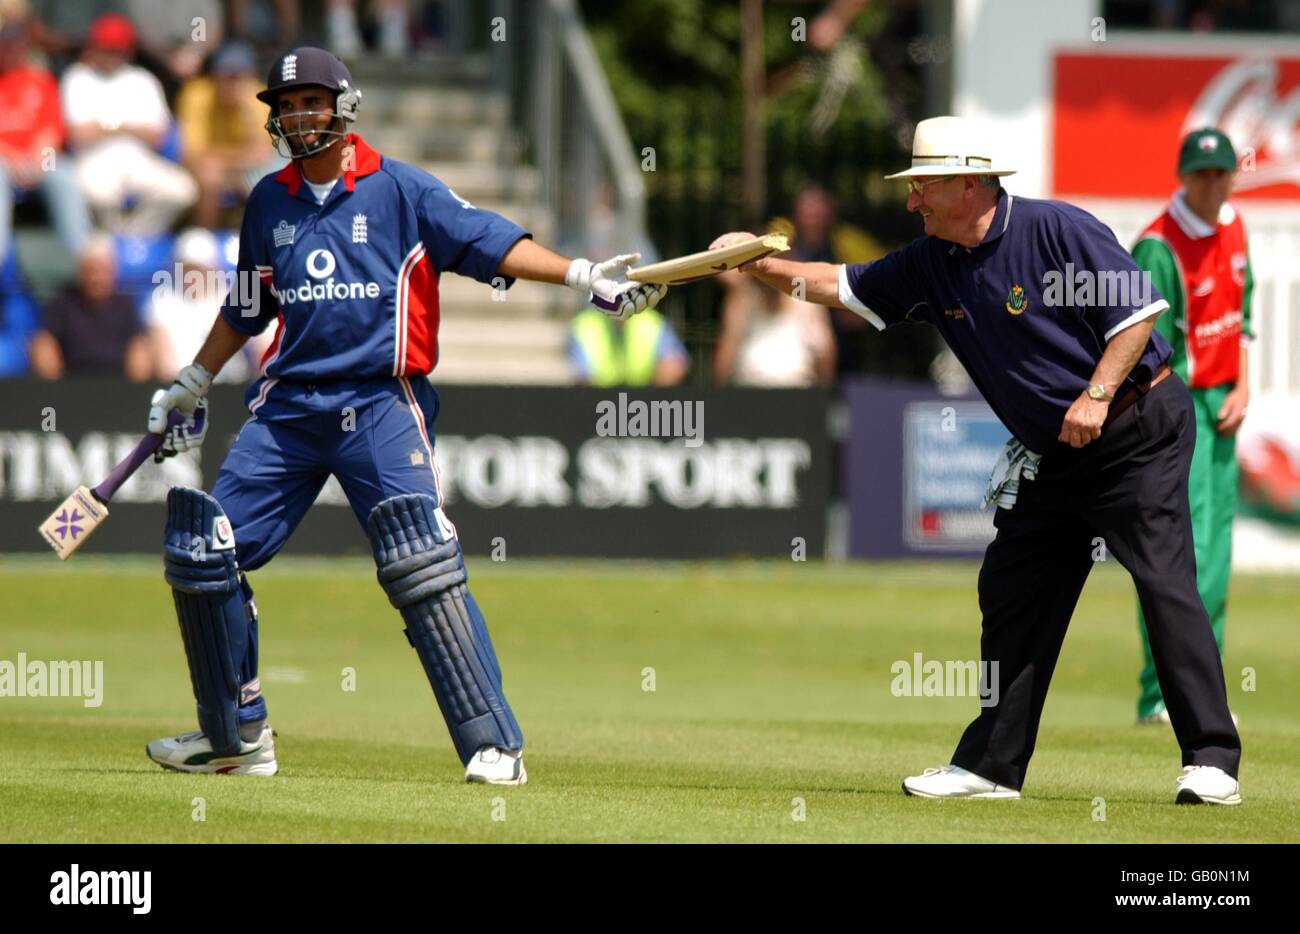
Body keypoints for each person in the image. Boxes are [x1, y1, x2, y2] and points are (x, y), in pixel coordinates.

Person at [141, 47, 666, 784]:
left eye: (312, 101)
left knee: (419, 557)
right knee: (203, 548)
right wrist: (193, 379)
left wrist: (583, 275)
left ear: (344, 107)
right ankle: (235, 737)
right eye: (286, 105)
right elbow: (248, 307)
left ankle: (493, 746)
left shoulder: (400, 191)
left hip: (382, 400)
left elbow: (491, 240)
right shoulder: (268, 201)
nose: (297, 115)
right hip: (290, 406)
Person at [710, 115, 1243, 805]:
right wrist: (758, 264)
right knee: (1013, 586)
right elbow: (836, 284)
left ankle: (1211, 759)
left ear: (969, 182)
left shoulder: (1055, 229)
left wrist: (1097, 395)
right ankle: (992, 765)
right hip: (1057, 451)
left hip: (1135, 428)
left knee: (1163, 580)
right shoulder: (931, 261)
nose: (912, 202)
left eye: (923, 187)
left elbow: (1139, 315)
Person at [1130, 128, 1253, 727]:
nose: (1212, 183)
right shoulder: (1159, 245)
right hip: (1180, 409)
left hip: (1225, 407)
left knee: (1219, 556)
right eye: (1202, 173)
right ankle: (1162, 694)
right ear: (1183, 176)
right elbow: (1142, 342)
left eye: (1221, 172)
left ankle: (1207, 690)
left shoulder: (1235, 225)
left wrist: (1243, 386)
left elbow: (1241, 317)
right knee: (1184, 552)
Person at [60, 13, 197, 235]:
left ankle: (128, 240)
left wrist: (105, 127)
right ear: (94, 47)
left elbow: (157, 137)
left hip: (140, 160)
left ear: (129, 50)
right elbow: (79, 135)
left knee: (182, 191)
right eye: (107, 48)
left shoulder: (143, 80)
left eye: (119, 49)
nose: (114, 55)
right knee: (99, 195)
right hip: (93, 161)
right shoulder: (77, 77)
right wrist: (129, 128)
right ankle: (118, 246)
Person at [0, 21, 91, 265]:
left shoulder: (41, 81)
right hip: (4, 161)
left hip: (39, 158)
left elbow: (52, 131)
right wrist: (11, 157)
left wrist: (38, 158)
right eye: (5, 44)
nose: (10, 49)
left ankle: (80, 258)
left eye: (16, 44)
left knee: (63, 175)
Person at [176, 41, 286, 228]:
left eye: (238, 77)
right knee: (210, 176)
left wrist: (247, 111)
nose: (231, 84)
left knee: (272, 179)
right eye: (226, 76)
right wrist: (230, 162)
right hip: (206, 168)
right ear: (214, 75)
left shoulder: (259, 97)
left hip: (244, 168)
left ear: (249, 77)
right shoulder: (196, 94)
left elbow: (261, 155)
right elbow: (191, 154)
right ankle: (204, 237)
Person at [29, 235, 151, 380]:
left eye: (103, 270)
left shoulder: (125, 304)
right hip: (72, 383)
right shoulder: (62, 302)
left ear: (113, 272)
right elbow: (44, 342)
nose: (97, 277)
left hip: (118, 384)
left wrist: (134, 388)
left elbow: (138, 345)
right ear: (80, 272)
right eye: (91, 270)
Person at [713, 267, 834, 387]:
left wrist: (822, 397)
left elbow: (824, 352)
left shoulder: (804, 297)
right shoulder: (742, 300)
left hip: (797, 391)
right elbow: (725, 356)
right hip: (748, 390)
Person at [568, 304, 688, 386]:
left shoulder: (652, 322)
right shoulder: (585, 324)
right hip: (599, 405)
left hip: (642, 404)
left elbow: (675, 365)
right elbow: (581, 377)